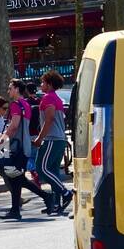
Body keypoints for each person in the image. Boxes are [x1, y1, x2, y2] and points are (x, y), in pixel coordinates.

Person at [0, 79, 55, 220]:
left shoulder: (16, 105)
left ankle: (45, 197)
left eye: (10, 88)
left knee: (14, 177)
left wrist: (2, 140)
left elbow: (14, 125)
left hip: (15, 146)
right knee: (17, 178)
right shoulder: (26, 104)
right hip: (25, 146)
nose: (9, 91)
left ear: (17, 89)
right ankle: (16, 209)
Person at [32, 71, 72, 215]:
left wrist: (39, 139)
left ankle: (65, 193)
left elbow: (49, 120)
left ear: (49, 85)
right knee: (53, 170)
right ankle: (56, 203)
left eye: (43, 82)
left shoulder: (48, 98)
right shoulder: (56, 98)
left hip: (52, 139)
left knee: (41, 168)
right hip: (59, 139)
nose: (41, 85)